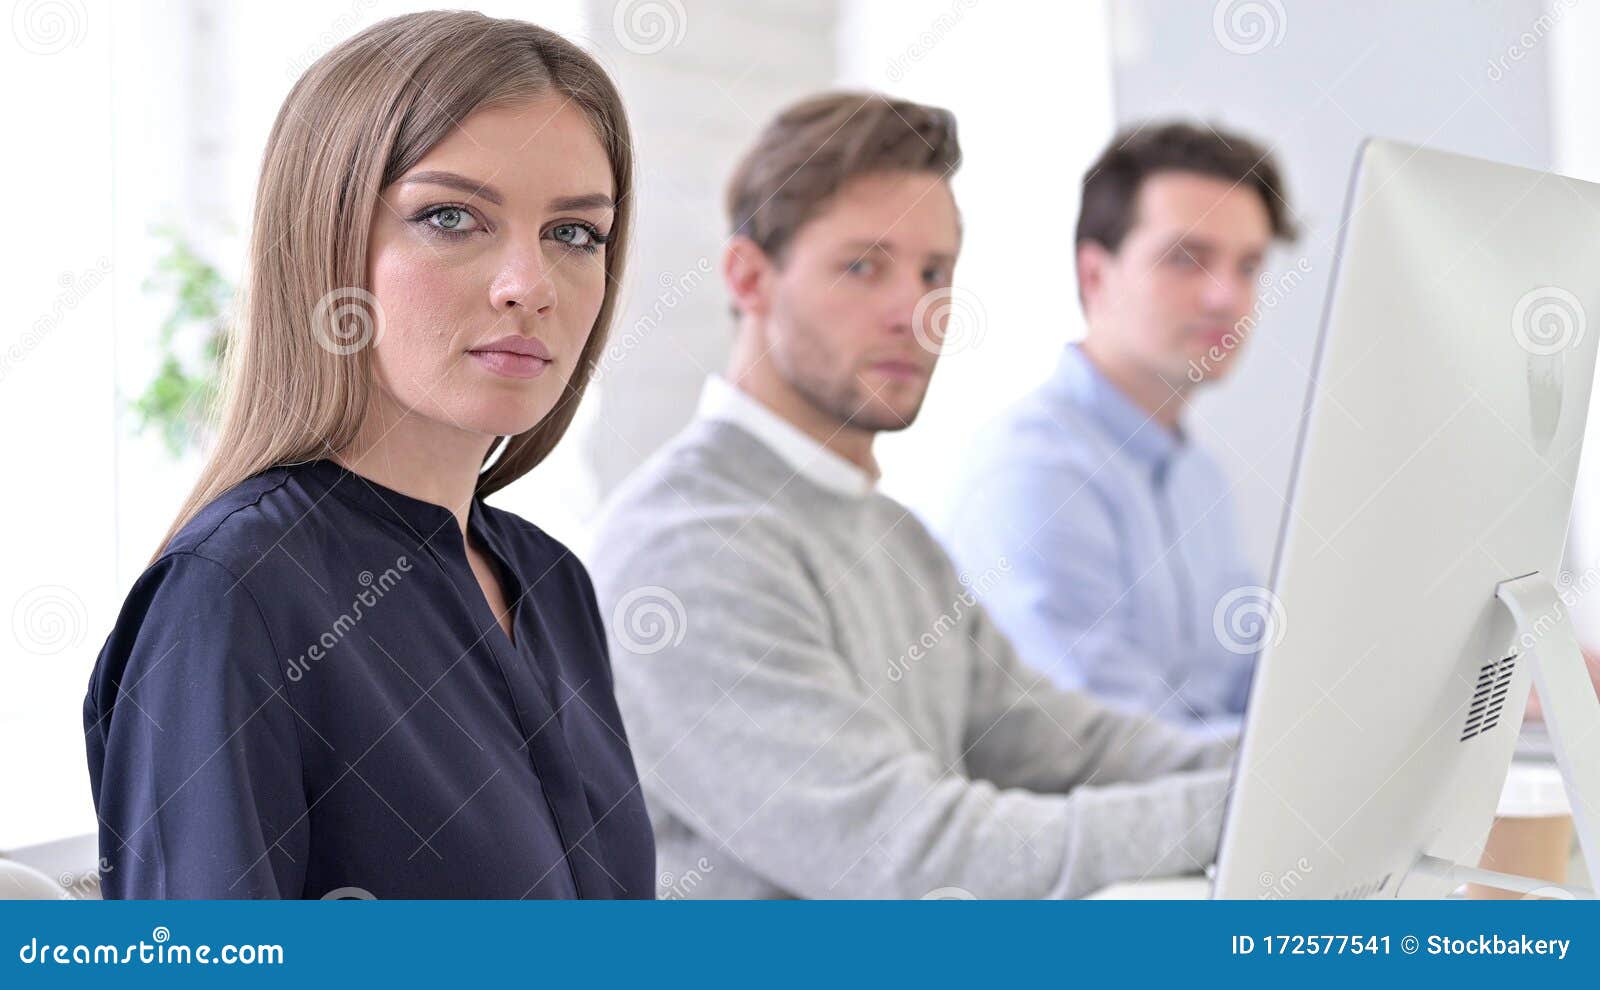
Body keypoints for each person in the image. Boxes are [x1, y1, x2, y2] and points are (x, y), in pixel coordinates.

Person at [589, 92, 1235, 900]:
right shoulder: (684, 549)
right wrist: (1239, 808)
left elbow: (1077, 749)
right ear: (749, 278)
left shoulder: (898, 538)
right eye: (864, 266)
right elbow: (911, 854)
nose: (915, 312)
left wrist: (1294, 770)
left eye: (934, 273)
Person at [83, 11, 653, 898]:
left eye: (574, 233)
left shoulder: (554, 585)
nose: (530, 286)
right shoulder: (235, 596)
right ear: (328, 246)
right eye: (452, 217)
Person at [938, 122, 1297, 724]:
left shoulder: (1196, 475)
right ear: (1094, 277)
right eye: (1187, 259)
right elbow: (1112, 747)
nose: (1225, 299)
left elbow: (1247, 682)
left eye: (1248, 267)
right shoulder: (1034, 476)